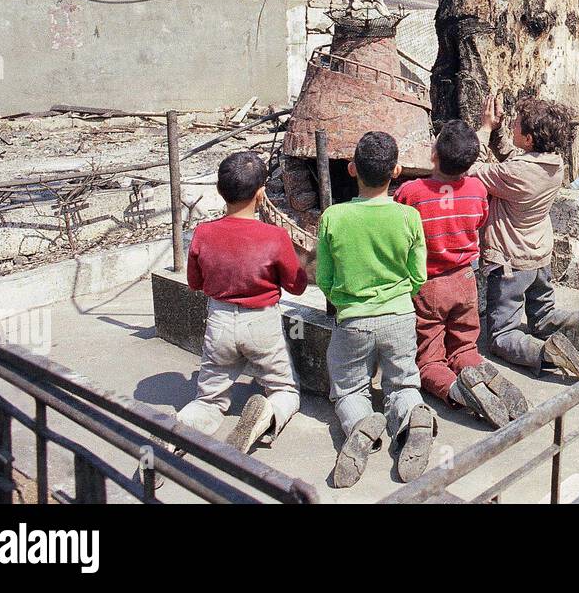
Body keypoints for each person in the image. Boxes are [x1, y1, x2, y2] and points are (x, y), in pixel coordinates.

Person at [473, 95, 579, 379]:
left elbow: (473, 168)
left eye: (516, 126)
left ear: (528, 139)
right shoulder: (553, 162)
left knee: (502, 335)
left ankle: (546, 354)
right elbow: (512, 157)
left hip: (511, 262)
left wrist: (485, 129)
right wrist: (501, 130)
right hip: (540, 256)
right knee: (542, 317)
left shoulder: (516, 173)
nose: (512, 127)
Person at [317, 131, 434, 488]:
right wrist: (400, 297)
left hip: (352, 320)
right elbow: (418, 275)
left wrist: (344, 300)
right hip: (400, 316)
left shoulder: (333, 217)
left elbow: (323, 278)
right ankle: (414, 415)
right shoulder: (409, 217)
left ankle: (360, 424)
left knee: (350, 389)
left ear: (351, 169)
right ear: (397, 171)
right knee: (401, 383)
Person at [395, 121, 529, 428]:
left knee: (429, 359)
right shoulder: (478, 189)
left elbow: (398, 231)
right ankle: (484, 378)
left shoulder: (411, 193)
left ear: (433, 156)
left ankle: (458, 392)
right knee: (465, 347)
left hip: (427, 285)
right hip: (466, 281)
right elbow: (481, 219)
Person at [177, 152, 306, 454]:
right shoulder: (275, 236)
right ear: (261, 193)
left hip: (220, 322)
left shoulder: (203, 233)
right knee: (284, 389)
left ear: (221, 191)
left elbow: (195, 283)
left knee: (208, 400)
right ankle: (267, 414)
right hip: (262, 323)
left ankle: (179, 428)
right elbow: (297, 286)